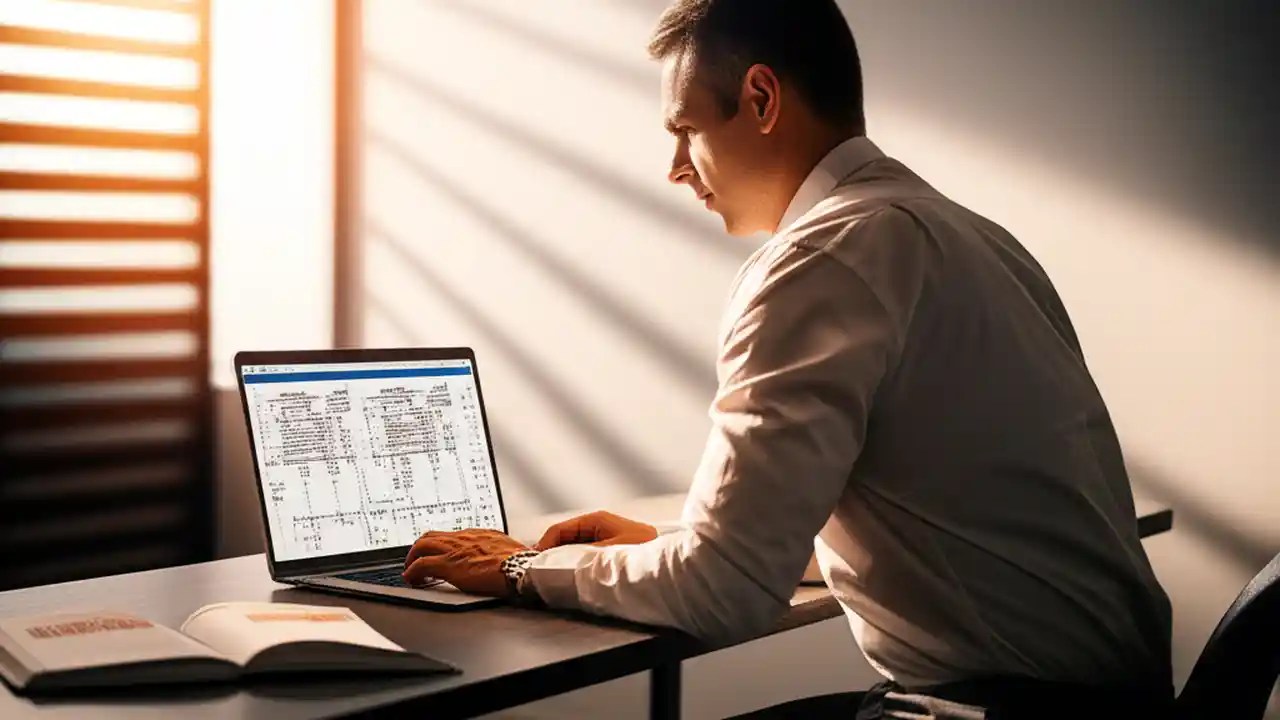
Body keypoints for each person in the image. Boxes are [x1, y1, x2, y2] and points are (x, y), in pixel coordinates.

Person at [402, 1, 1174, 716]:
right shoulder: (971, 237)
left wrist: (515, 570)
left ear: (763, 98)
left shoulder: (822, 259)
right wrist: (680, 545)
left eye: (686, 129)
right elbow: (930, 531)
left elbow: (720, 595)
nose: (674, 167)